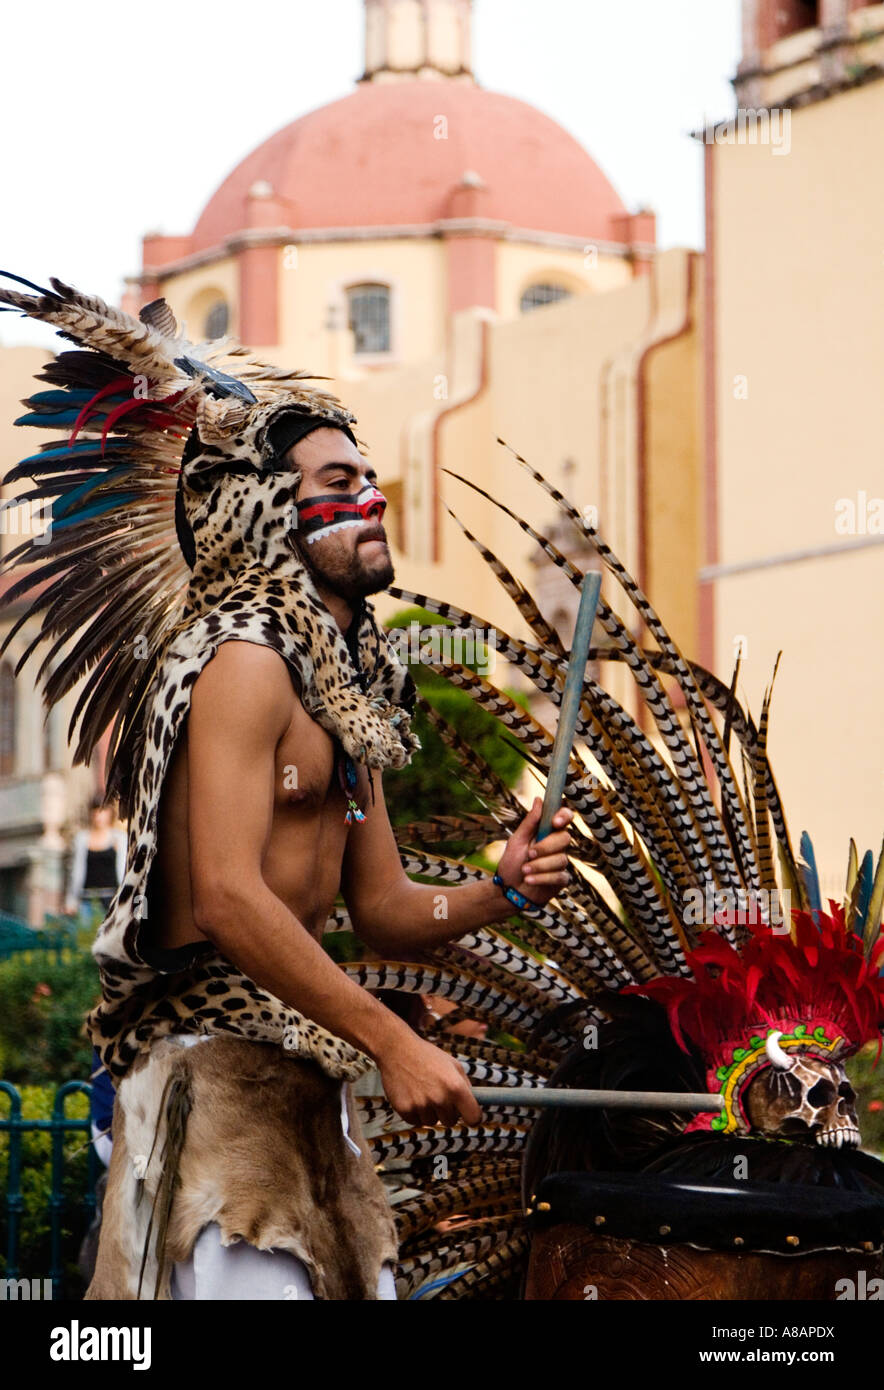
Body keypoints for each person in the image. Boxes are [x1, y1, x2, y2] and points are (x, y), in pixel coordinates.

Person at [0, 270, 573, 1300]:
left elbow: (386, 908)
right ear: (268, 514)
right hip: (207, 1071)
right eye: (339, 485)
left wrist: (501, 887)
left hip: (309, 1070)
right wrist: (391, 1037)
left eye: (370, 478)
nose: (374, 498)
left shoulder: (346, 683)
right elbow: (225, 894)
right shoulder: (240, 662)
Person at [65, 799, 126, 923]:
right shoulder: (81, 839)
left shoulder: (120, 839)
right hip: (86, 900)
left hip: (112, 900)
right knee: (87, 939)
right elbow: (74, 872)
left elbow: (125, 869)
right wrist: (70, 902)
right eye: (95, 811)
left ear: (110, 813)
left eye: (102, 811)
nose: (98, 815)